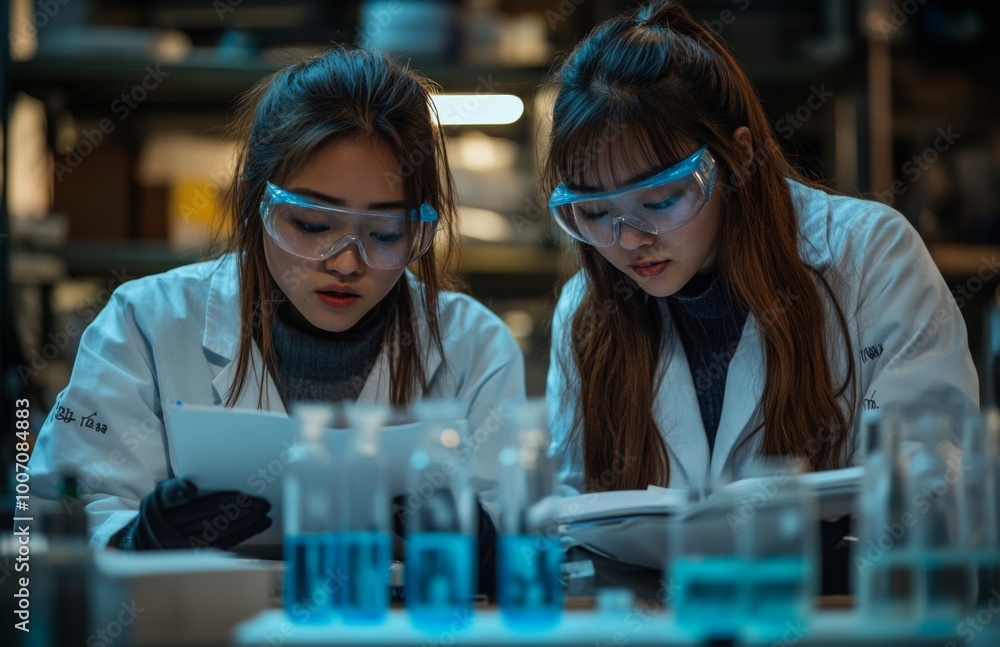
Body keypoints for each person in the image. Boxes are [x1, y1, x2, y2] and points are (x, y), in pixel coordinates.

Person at [29, 47, 524, 589]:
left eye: (385, 234)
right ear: (253, 202)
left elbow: (534, 541)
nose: (345, 263)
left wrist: (490, 554)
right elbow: (49, 531)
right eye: (311, 225)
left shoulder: (473, 344)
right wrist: (136, 541)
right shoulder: (148, 323)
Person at [543, 0, 978, 495]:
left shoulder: (871, 255)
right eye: (596, 213)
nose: (630, 240)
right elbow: (571, 514)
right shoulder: (586, 309)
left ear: (741, 156)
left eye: (661, 200)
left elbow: (926, 489)